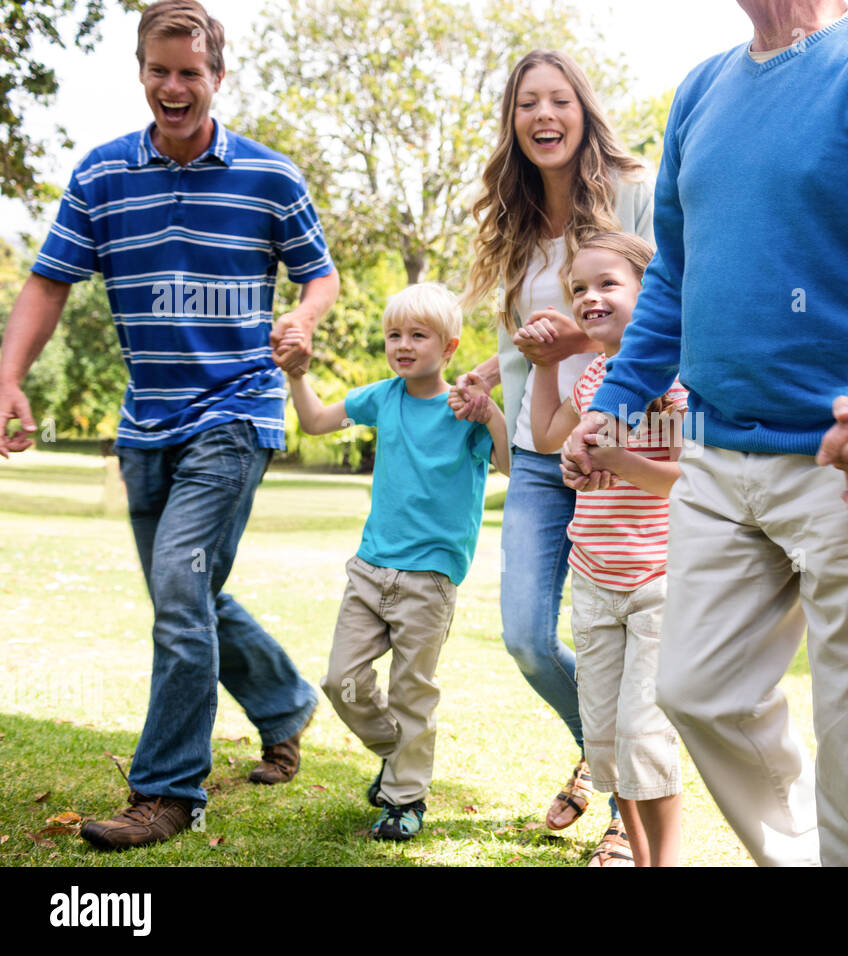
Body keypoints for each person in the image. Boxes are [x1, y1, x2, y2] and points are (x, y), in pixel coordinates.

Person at [563, 0, 848, 866]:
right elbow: (671, 273)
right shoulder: (703, 88)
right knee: (697, 689)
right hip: (715, 454)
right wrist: (613, 403)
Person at [0, 0, 338, 849]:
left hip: (238, 412)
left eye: (191, 72)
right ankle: (286, 700)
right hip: (148, 421)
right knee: (188, 595)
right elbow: (48, 282)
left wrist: (302, 322)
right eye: (161, 71)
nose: (175, 86)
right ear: (142, 74)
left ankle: (168, 792)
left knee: (180, 594)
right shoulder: (102, 175)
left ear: (217, 79)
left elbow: (319, 276)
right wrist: (8, 375)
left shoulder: (271, 176)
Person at [455, 49, 654, 861]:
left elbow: (672, 301)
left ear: (583, 109)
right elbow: (518, 346)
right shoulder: (508, 224)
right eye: (527, 103)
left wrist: (585, 337)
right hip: (542, 453)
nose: (544, 115)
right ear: (514, 121)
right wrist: (494, 372)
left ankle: (624, 809)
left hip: (626, 443)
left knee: (636, 633)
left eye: (559, 100)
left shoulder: (636, 189)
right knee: (529, 637)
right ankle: (602, 755)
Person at [275, 283, 507, 841]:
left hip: (430, 578)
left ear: (449, 348)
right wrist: (297, 375)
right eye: (393, 335)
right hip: (370, 569)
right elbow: (315, 423)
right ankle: (397, 753)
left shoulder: (463, 409)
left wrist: (491, 412)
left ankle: (406, 799)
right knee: (340, 681)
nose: (403, 345)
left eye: (417, 336)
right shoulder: (382, 397)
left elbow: (509, 464)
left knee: (411, 690)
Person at [527, 232, 687, 866]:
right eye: (579, 289)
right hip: (593, 578)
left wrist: (615, 458)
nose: (590, 298)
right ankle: (640, 858)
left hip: (657, 579)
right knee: (608, 742)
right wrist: (546, 372)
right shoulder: (595, 374)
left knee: (647, 738)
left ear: (652, 293)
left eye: (608, 284)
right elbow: (545, 436)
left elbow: (689, 483)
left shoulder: (672, 381)